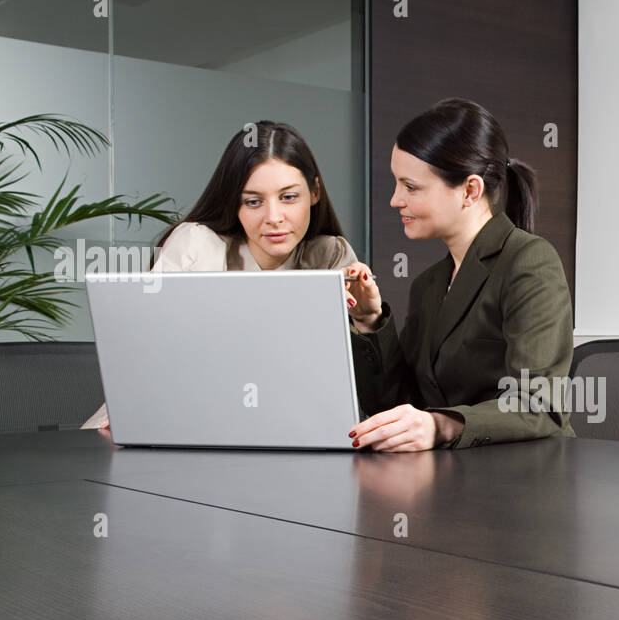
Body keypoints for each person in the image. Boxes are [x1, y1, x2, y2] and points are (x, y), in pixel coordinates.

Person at [89, 121, 370, 433]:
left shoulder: (330, 256)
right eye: (253, 201)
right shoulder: (197, 242)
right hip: (164, 420)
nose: (274, 217)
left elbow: (350, 386)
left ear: (314, 192)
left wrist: (367, 318)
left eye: (289, 197)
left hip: (281, 431)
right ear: (233, 203)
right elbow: (149, 351)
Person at [345, 98, 574, 452]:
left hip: (527, 479)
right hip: (454, 476)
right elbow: (399, 405)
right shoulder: (429, 284)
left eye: (411, 186)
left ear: (470, 191)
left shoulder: (529, 261)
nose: (395, 199)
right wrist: (370, 320)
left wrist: (440, 425)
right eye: (397, 184)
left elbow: (539, 404)